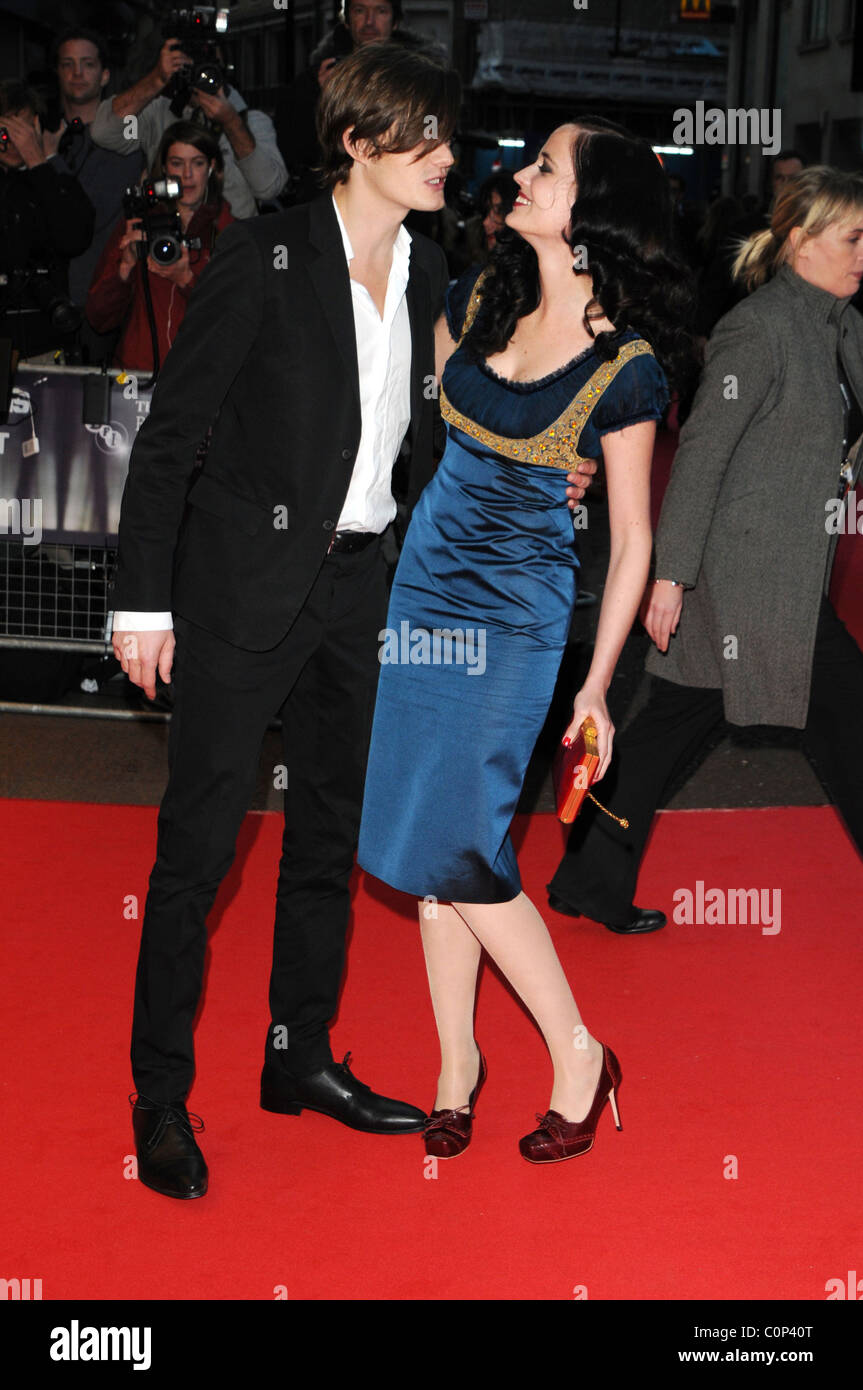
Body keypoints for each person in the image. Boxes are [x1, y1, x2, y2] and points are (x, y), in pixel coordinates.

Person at [110, 44, 593, 1200]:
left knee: (327, 837)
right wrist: (141, 601)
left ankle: (298, 1057)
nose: (447, 159)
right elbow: (171, 438)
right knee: (199, 854)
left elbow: (462, 416)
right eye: (425, 139)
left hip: (364, 598)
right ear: (362, 143)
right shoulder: (264, 259)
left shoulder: (433, 270)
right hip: (239, 595)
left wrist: (550, 472)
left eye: (447, 137)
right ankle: (160, 1097)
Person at [357, 118, 694, 1163]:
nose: (521, 175)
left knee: (461, 845)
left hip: (512, 617)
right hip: (422, 589)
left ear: (589, 213)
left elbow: (633, 540)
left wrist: (594, 686)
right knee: (426, 845)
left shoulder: (624, 367)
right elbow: (438, 427)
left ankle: (577, 1052)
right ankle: (457, 1062)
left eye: (546, 167)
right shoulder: (478, 294)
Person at [547, 166, 863, 936]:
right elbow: (699, 458)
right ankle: (587, 876)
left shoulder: (844, 326)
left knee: (665, 730)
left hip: (784, 570)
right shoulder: (759, 329)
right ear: (800, 240)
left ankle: (586, 877)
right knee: (852, 724)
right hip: (751, 577)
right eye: (853, 237)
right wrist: (673, 574)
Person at [86, 121, 233, 371]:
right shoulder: (137, 225)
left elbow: (236, 320)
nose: (187, 174)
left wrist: (187, 280)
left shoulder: (230, 232)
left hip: (202, 380)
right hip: (138, 376)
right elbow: (99, 318)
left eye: (197, 163)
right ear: (164, 168)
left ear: (212, 167)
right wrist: (125, 269)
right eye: (177, 163)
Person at [90, 35, 286, 219]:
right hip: (169, 244)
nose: (199, 71)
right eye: (191, 63)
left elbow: (269, 188)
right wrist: (157, 79)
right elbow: (104, 132)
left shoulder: (251, 123)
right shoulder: (155, 116)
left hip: (232, 247)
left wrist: (232, 123)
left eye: (209, 61)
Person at [274, 0, 446, 207]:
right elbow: (294, 148)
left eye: (381, 11)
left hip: (403, 207)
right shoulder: (318, 77)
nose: (369, 21)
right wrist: (324, 99)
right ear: (347, 20)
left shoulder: (425, 81)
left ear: (395, 21)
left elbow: (435, 135)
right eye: (359, 10)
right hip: (332, 204)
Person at [49, 26, 146, 364]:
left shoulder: (128, 143)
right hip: (49, 302)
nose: (77, 74)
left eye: (87, 64)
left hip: (104, 304)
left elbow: (91, 210)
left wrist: (45, 162)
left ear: (105, 75)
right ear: (57, 72)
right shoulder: (43, 134)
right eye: (68, 64)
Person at [0, 79, 94, 362]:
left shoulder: (58, 183)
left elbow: (74, 239)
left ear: (37, 127)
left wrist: (37, 162)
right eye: (7, 130)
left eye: (23, 129)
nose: (15, 141)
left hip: (46, 338)